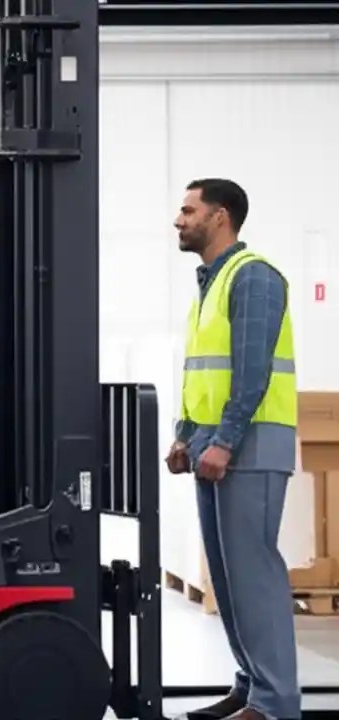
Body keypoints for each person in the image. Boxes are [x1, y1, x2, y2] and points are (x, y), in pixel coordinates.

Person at [166, 178, 300, 720]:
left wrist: (222, 440)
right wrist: (184, 432)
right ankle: (249, 689)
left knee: (254, 575)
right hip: (213, 444)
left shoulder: (254, 277)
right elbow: (204, 374)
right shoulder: (210, 285)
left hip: (250, 443)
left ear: (220, 217)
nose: (179, 220)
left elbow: (251, 373)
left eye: (187, 209)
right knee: (227, 578)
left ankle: (274, 705)